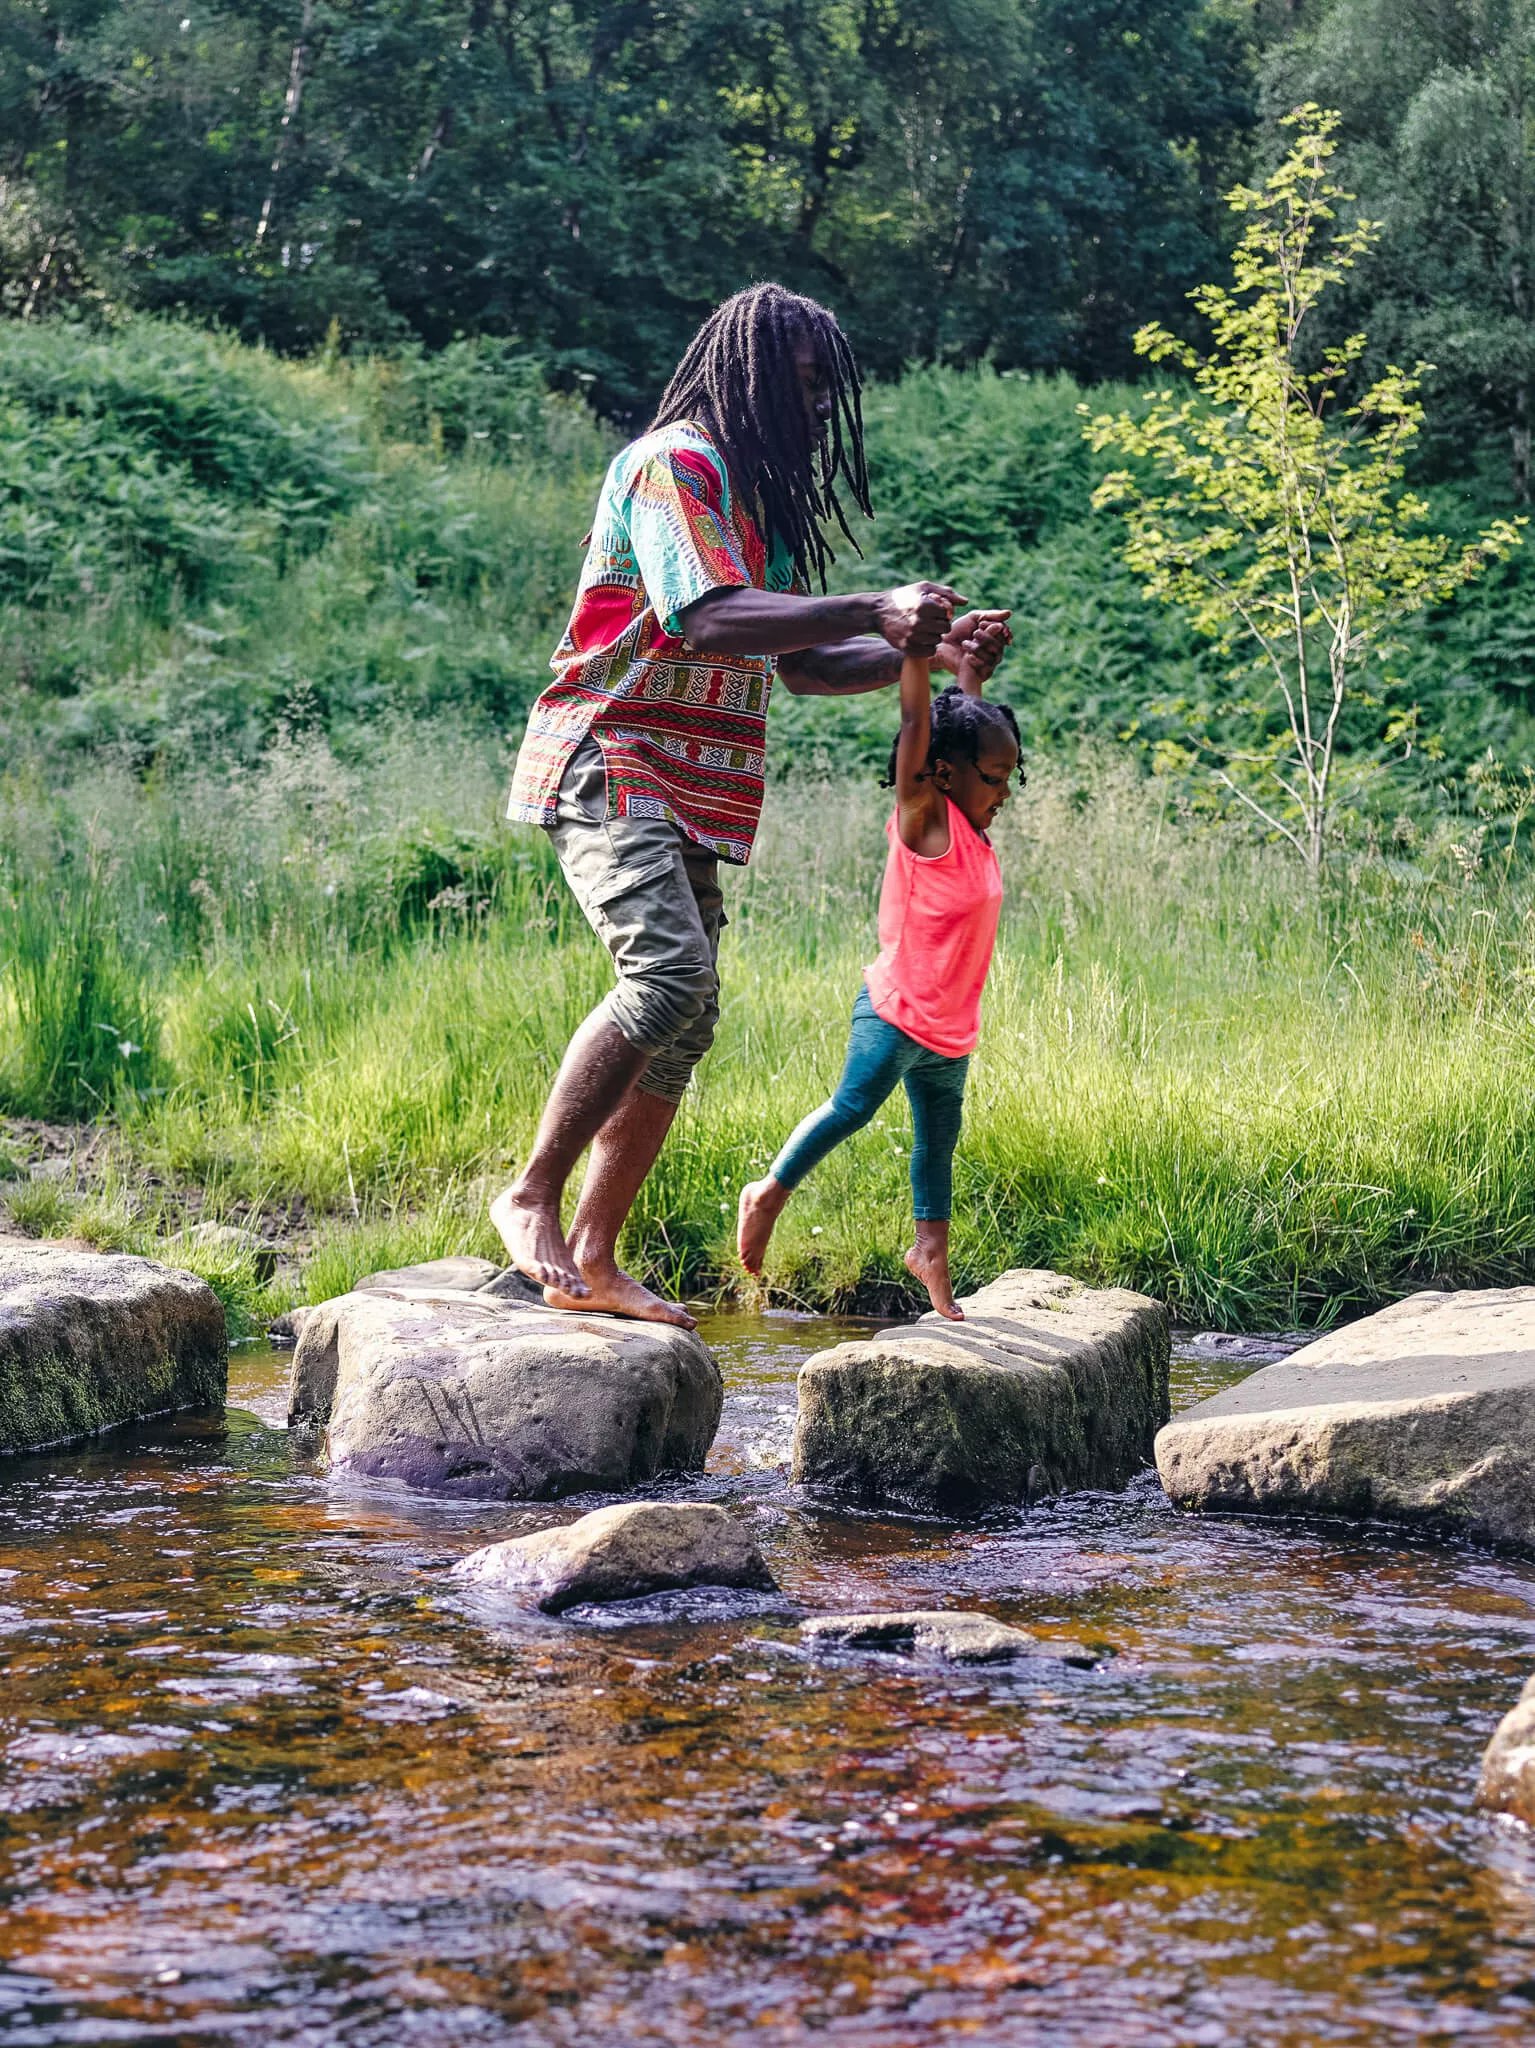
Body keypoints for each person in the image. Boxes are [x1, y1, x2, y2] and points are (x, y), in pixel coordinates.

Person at [492, 282, 1009, 1326]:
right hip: (613, 753)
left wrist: (923, 651)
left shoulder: (751, 504)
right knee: (667, 975)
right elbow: (707, 615)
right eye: (805, 386)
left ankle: (593, 1257)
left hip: (691, 785)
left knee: (688, 1020)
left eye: (826, 390)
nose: (819, 408)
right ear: (749, 377)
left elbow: (805, 665)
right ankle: (531, 1194)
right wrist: (874, 604)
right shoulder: (672, 466)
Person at [735, 628, 1019, 1320]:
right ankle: (768, 1193)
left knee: (938, 1141)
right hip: (895, 1012)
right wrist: (917, 651)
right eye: (994, 778)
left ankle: (930, 1254)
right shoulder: (925, 819)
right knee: (853, 1108)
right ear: (941, 774)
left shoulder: (970, 821)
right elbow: (922, 723)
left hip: (950, 1028)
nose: (1005, 792)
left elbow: (957, 724)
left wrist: (970, 671)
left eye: (1009, 777)